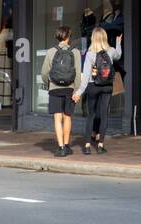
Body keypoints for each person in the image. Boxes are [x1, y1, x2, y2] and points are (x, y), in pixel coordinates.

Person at [73, 26, 121, 154]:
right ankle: (100, 145)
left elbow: (86, 76)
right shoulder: (110, 51)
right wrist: (118, 43)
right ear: (105, 38)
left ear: (93, 39)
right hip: (107, 86)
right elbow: (119, 55)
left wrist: (78, 93)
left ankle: (87, 146)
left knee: (91, 115)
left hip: (93, 86)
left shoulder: (90, 54)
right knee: (104, 115)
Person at [40, 25, 82, 156]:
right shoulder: (75, 52)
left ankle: (61, 147)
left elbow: (44, 72)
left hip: (55, 88)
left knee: (57, 118)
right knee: (67, 117)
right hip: (69, 88)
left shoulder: (51, 51)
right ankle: (67, 145)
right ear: (68, 36)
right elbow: (77, 73)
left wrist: (48, 84)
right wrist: (76, 90)